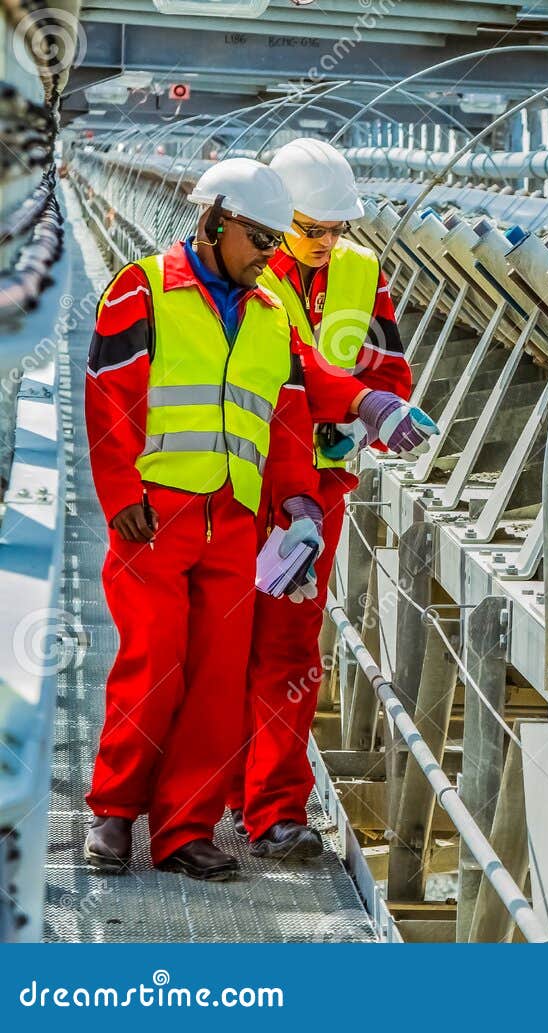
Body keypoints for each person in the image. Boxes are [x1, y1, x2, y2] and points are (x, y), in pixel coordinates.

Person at [81, 158, 329, 882]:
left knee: (218, 683)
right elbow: (108, 393)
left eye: (277, 242)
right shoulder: (143, 288)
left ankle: (185, 829)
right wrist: (121, 495)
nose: (270, 254)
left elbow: (286, 419)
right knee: (153, 665)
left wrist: (299, 505)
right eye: (261, 238)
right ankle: (114, 812)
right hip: (155, 518)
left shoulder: (271, 314)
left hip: (235, 522)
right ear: (216, 222)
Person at [227, 138, 433, 860]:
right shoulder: (244, 268)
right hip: (237, 484)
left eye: (336, 228)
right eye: (311, 228)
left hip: (315, 493)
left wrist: (372, 417)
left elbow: (387, 369)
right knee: (221, 640)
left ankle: (274, 811)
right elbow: (289, 364)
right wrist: (355, 402)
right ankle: (215, 791)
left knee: (289, 651)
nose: (325, 241)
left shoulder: (359, 274)